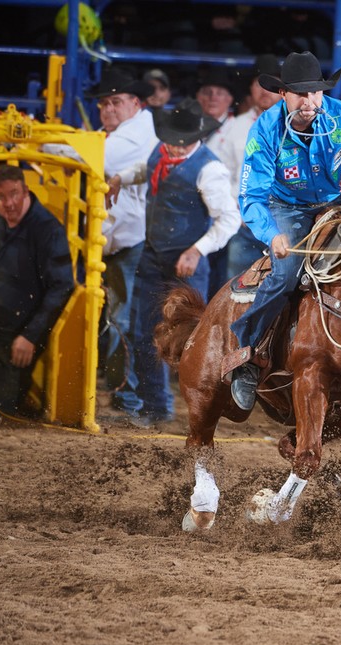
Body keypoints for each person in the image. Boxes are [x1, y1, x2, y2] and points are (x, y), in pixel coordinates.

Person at [225, 51, 341, 411]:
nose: (309, 102)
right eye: (300, 94)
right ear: (283, 94)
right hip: (287, 207)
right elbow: (252, 197)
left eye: (315, 93)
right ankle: (248, 355)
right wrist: (272, 234)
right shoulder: (265, 130)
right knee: (285, 273)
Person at [110, 98, 240, 426]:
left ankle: (199, 408)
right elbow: (146, 169)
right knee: (143, 332)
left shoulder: (210, 169)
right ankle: (154, 406)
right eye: (172, 140)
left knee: (191, 341)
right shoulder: (161, 152)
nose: (176, 146)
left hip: (187, 263)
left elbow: (229, 219)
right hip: (154, 255)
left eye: (183, 142)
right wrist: (121, 178)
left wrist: (197, 250)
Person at [0, 165, 75, 415]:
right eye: (0, 197)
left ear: (25, 191)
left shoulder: (48, 229)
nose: (9, 203)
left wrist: (30, 336)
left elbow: (62, 286)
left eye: (14, 194)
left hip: (16, 335)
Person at [91, 68, 158, 418]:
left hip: (131, 243)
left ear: (135, 103)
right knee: (118, 319)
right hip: (114, 241)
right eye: (104, 104)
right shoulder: (121, 132)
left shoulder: (137, 133)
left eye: (116, 102)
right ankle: (126, 396)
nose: (109, 109)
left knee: (124, 320)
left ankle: (128, 398)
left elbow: (95, 156)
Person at [214, 54, 281, 281]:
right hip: (245, 225)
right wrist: (235, 208)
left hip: (284, 222)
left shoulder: (297, 124)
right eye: (259, 83)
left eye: (271, 85)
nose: (264, 90)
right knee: (236, 287)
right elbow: (222, 174)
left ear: (282, 91)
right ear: (251, 89)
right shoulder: (235, 126)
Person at [195, 66, 239, 296]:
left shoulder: (237, 129)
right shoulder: (193, 125)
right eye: (207, 92)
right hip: (195, 212)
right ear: (198, 97)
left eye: (219, 93)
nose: (213, 98)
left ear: (230, 99)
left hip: (223, 212)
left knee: (219, 277)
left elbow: (242, 172)